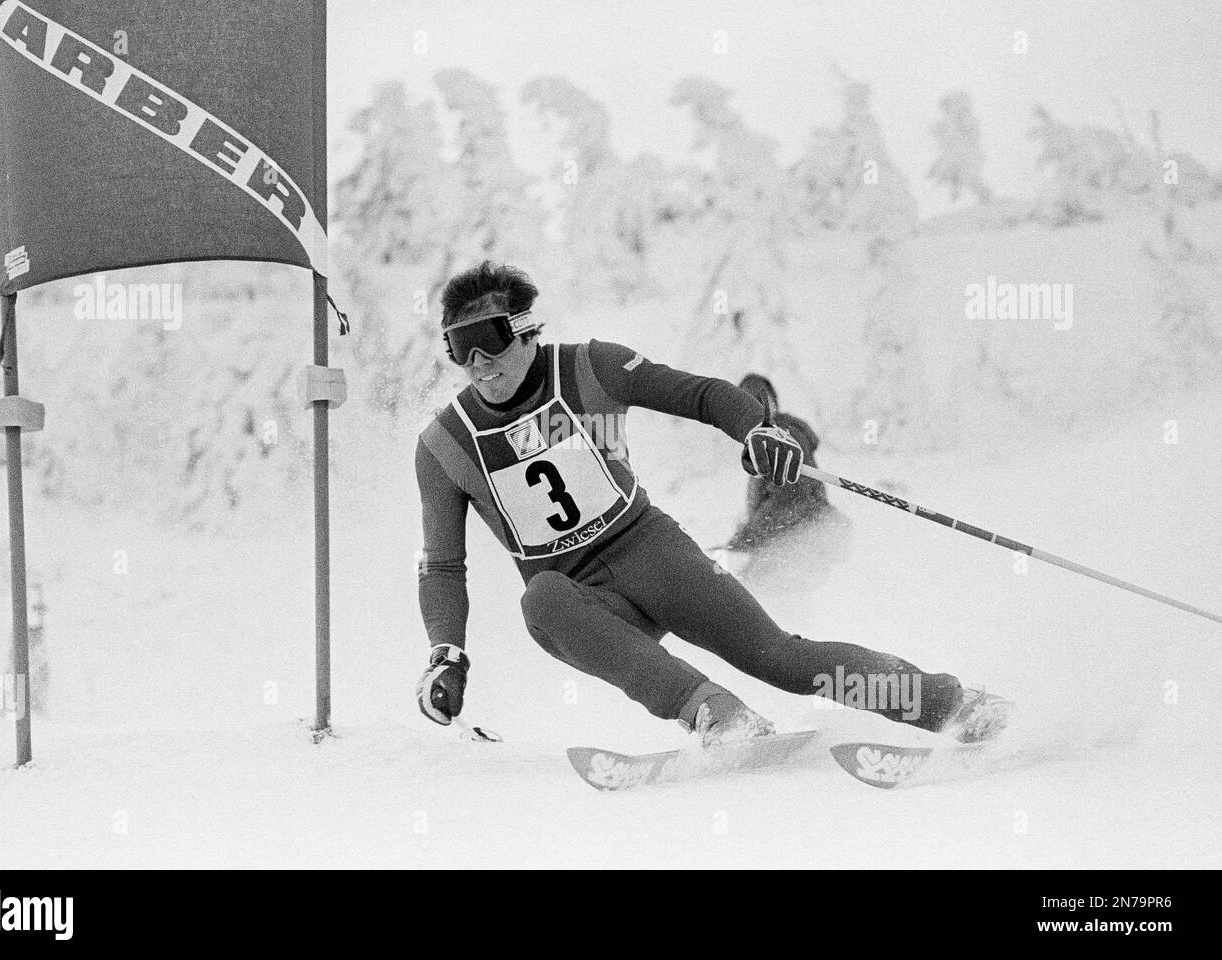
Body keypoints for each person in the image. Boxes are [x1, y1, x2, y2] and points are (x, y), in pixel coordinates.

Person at [414, 261, 1006, 746]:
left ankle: (952, 705)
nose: (477, 364)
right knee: (539, 600)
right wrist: (447, 651)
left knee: (781, 659)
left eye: (488, 341)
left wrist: (757, 430)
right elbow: (442, 565)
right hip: (579, 599)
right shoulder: (444, 445)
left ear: (523, 329)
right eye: (458, 349)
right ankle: (715, 715)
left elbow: (700, 395)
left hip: (648, 550)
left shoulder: (591, 367)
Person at [718, 374, 853, 595]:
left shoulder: (782, 437)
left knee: (768, 604)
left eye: (758, 401)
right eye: (743, 402)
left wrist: (746, 539)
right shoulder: (763, 442)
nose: (752, 408)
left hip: (802, 543)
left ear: (773, 404)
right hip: (793, 543)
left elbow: (791, 498)